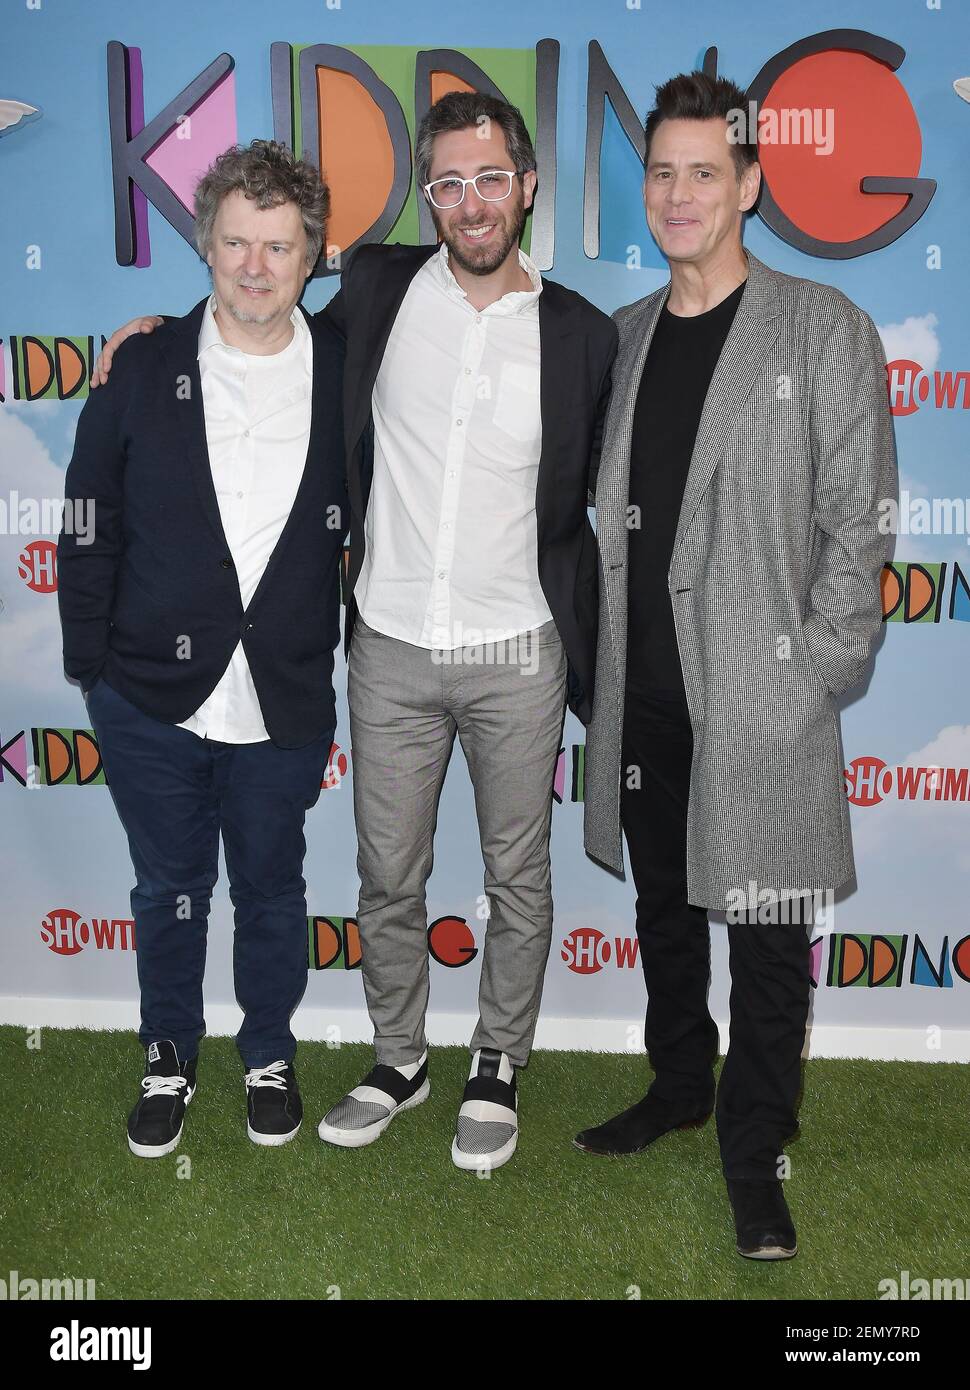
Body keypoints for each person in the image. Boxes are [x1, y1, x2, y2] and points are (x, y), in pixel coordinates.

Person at [92, 92, 617, 1172]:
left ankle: (496, 1062)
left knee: (517, 875)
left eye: (487, 181)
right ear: (426, 197)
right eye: (446, 185)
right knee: (389, 875)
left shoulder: (582, 334)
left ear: (525, 187)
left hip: (520, 647)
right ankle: (397, 1056)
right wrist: (146, 334)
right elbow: (249, 299)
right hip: (384, 643)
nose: (468, 205)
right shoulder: (376, 290)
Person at [580, 72, 897, 1258]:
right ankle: (677, 1085)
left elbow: (858, 526)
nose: (677, 193)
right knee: (665, 906)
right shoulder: (618, 338)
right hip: (644, 698)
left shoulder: (822, 328)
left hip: (762, 697)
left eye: (703, 171)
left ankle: (754, 1144)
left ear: (750, 185)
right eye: (660, 172)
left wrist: (815, 672)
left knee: (766, 932)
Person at [59, 140, 348, 1158]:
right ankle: (167, 1054)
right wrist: (89, 668)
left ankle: (267, 1051)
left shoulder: (351, 370)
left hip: (283, 696)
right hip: (147, 697)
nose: (256, 265)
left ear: (313, 254)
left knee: (273, 888)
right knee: (168, 886)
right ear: (206, 244)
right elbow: (88, 517)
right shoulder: (142, 365)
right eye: (237, 241)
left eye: (279, 244)